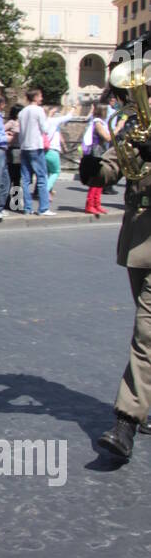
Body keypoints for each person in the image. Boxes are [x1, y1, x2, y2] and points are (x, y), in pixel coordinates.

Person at [80, 41, 151, 459]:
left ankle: (126, 420)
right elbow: (116, 163)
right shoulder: (130, 118)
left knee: (146, 331)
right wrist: (96, 170)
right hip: (137, 236)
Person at [18, 88, 55, 216]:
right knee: (41, 177)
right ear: (35, 97)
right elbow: (45, 128)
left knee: (26, 179)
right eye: (40, 96)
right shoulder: (39, 110)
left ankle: (27, 208)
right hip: (36, 146)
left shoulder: (22, 112)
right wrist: (49, 117)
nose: (42, 98)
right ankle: (43, 208)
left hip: (24, 147)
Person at [81, 104, 112, 216]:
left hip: (100, 152)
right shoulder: (97, 122)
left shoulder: (100, 122)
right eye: (106, 111)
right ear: (102, 111)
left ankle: (97, 204)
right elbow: (107, 137)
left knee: (100, 179)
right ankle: (90, 205)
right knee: (95, 178)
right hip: (96, 153)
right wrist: (119, 127)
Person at [4, 103, 22, 210]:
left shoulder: (22, 122)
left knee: (18, 179)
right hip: (13, 151)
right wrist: (9, 135)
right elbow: (1, 130)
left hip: (21, 151)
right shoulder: (12, 122)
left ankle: (16, 203)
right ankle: (7, 201)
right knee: (11, 177)